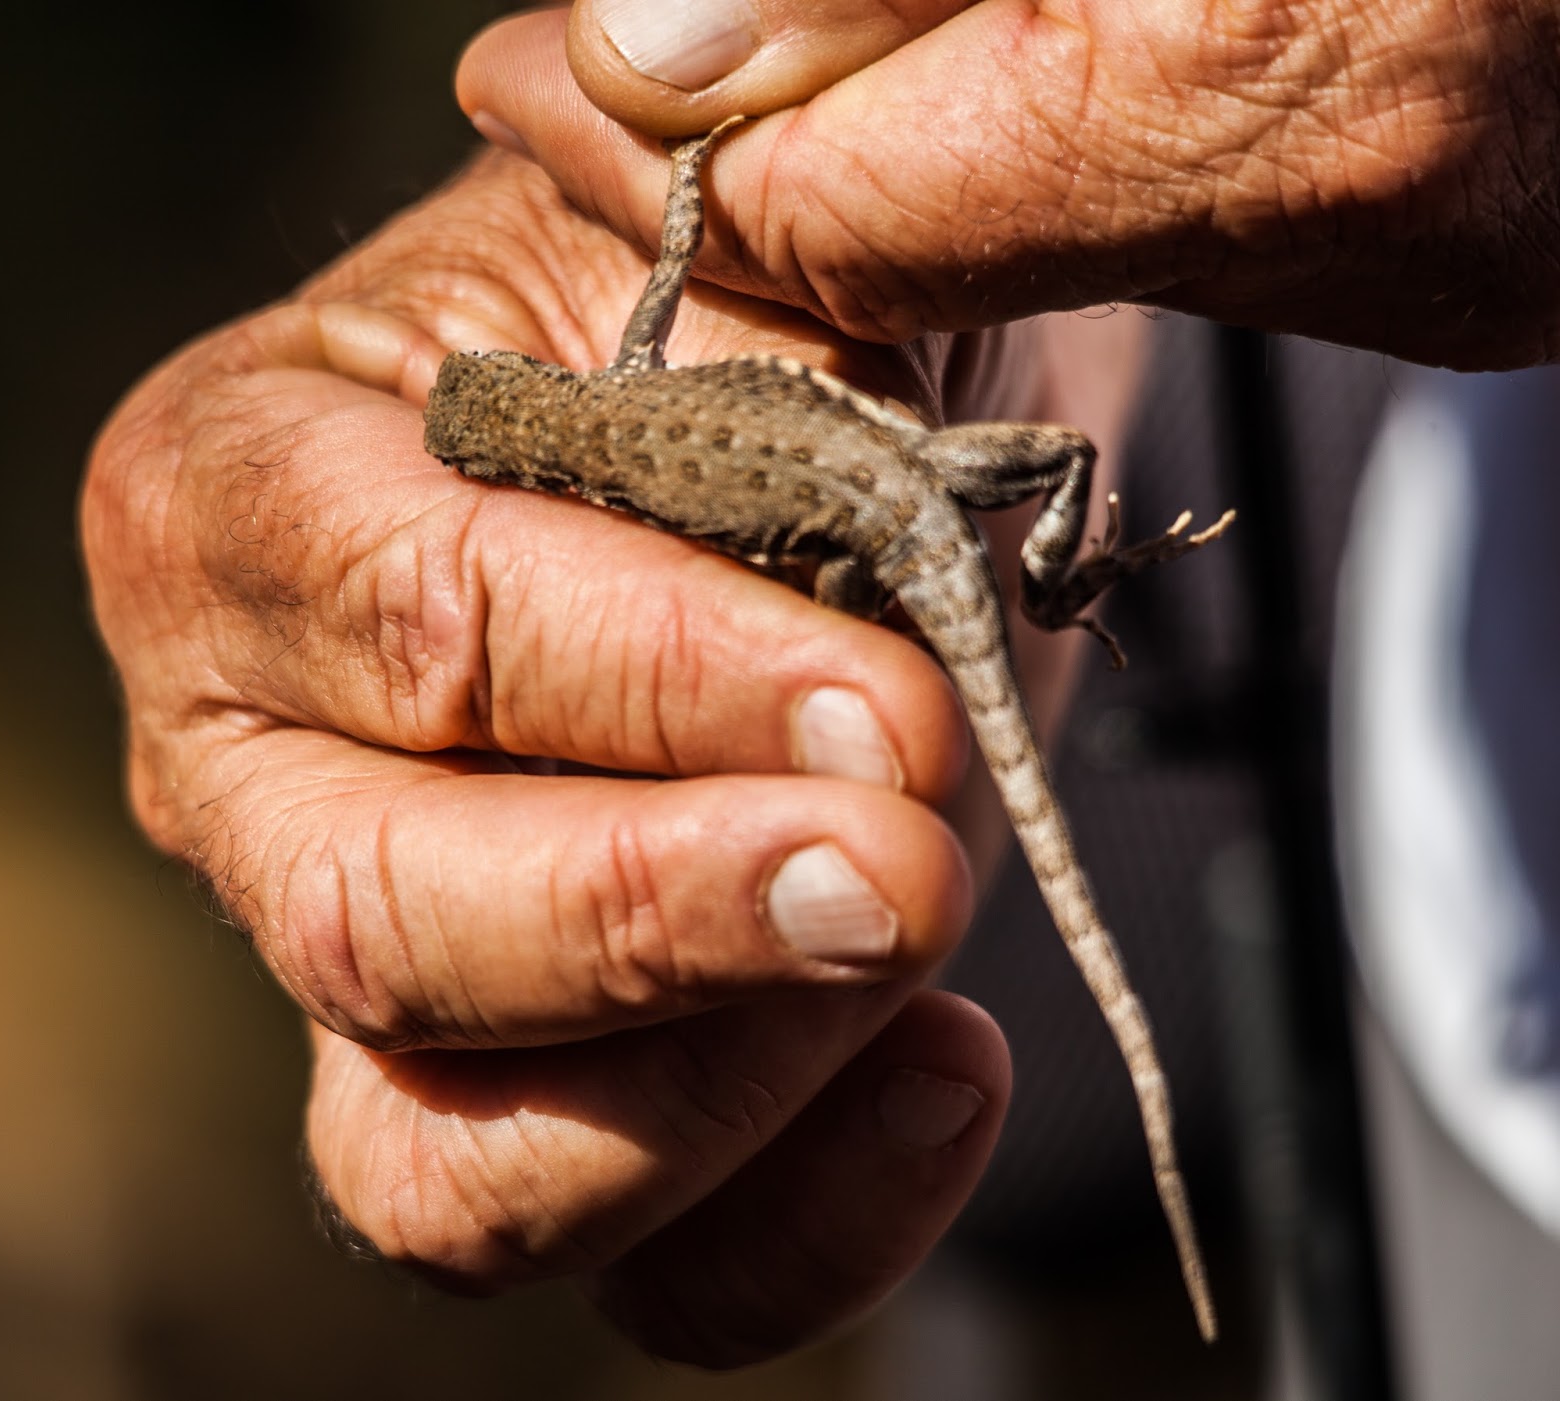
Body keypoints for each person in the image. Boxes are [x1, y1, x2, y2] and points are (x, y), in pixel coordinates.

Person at [80, 0, 1559, 1369]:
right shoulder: (632, 375)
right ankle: (1068, 582)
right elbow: (673, 249)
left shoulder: (604, 504)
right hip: (924, 481)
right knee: (1042, 507)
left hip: (905, 534)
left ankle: (1046, 597)